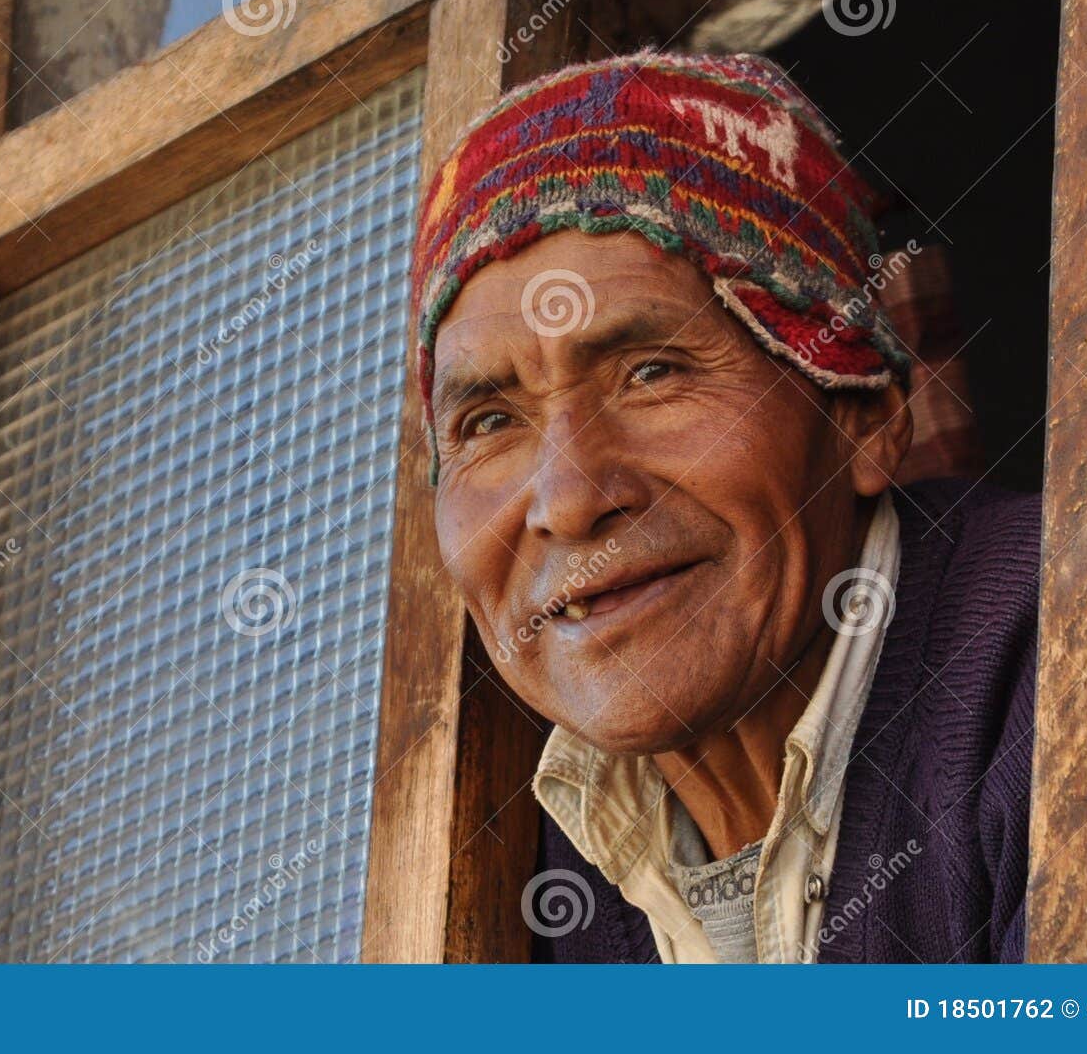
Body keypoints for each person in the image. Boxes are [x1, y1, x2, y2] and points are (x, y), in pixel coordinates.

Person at [408, 51, 1038, 963]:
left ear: (862, 418)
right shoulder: (516, 873)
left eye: (652, 372)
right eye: (490, 421)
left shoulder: (1080, 661)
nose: (571, 501)